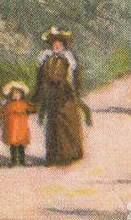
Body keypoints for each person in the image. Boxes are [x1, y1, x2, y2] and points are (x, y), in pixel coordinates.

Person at [32, 27, 91, 166]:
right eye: (54, 44)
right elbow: (41, 78)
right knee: (53, 124)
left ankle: (70, 153)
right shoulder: (47, 59)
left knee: (67, 122)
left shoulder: (68, 60)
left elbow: (75, 79)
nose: (56, 46)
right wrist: (39, 94)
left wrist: (75, 93)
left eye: (59, 44)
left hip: (66, 96)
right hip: (52, 95)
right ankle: (54, 155)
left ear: (63, 45)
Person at [0, 81, 36, 167]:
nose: (15, 95)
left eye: (17, 93)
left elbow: (32, 109)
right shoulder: (9, 105)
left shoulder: (24, 104)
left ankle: (22, 160)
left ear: (21, 94)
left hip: (21, 130)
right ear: (10, 95)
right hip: (11, 130)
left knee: (21, 146)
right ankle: (14, 161)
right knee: (13, 147)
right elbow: (1, 112)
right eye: (13, 93)